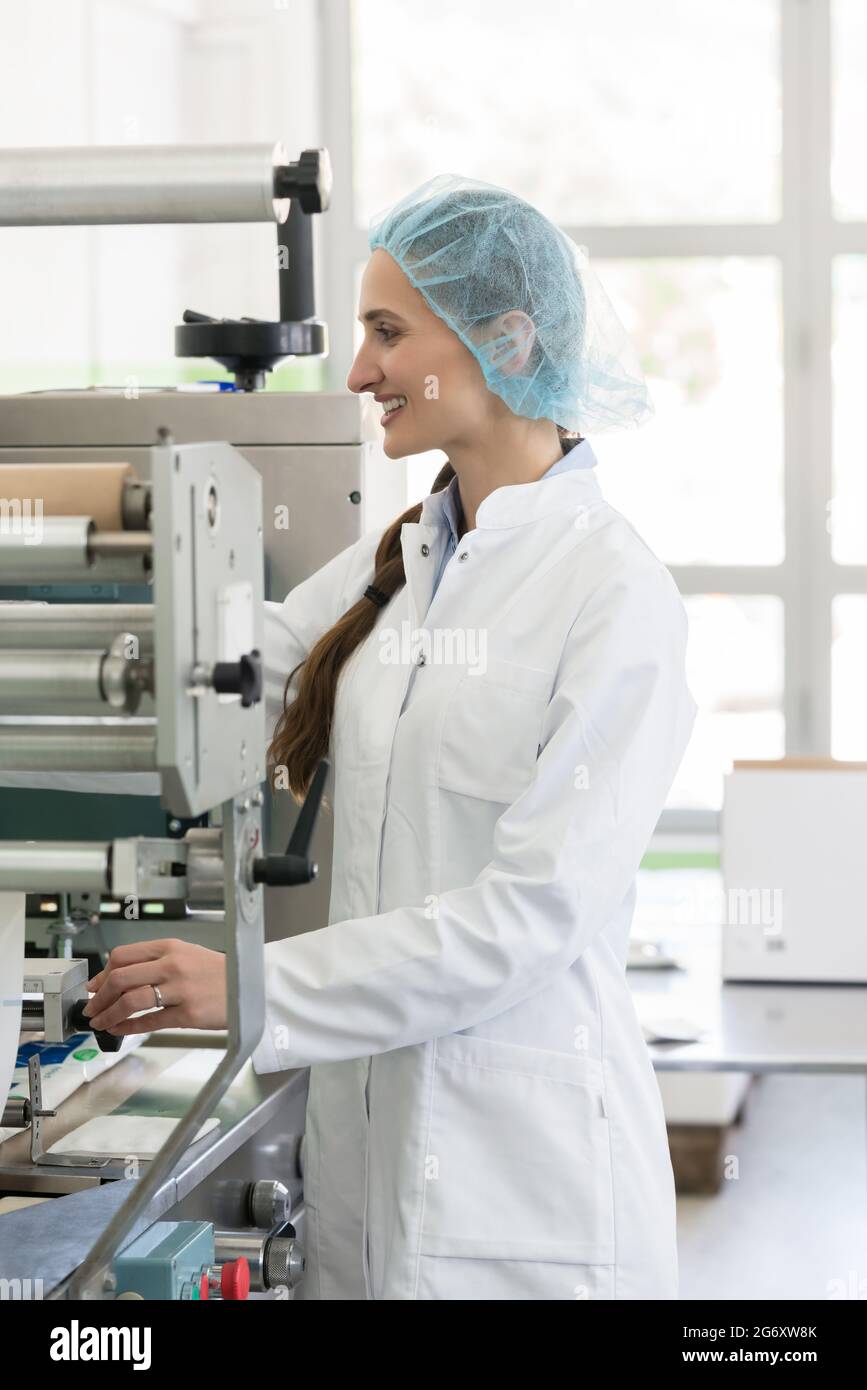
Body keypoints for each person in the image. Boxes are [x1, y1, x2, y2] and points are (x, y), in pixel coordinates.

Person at [84, 173, 698, 1301]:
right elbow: (226, 672)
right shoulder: (402, 563)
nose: (360, 370)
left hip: (526, 1209)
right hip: (365, 1183)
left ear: (503, 338)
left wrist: (257, 991)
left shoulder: (615, 597)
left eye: (386, 332)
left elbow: (527, 917)